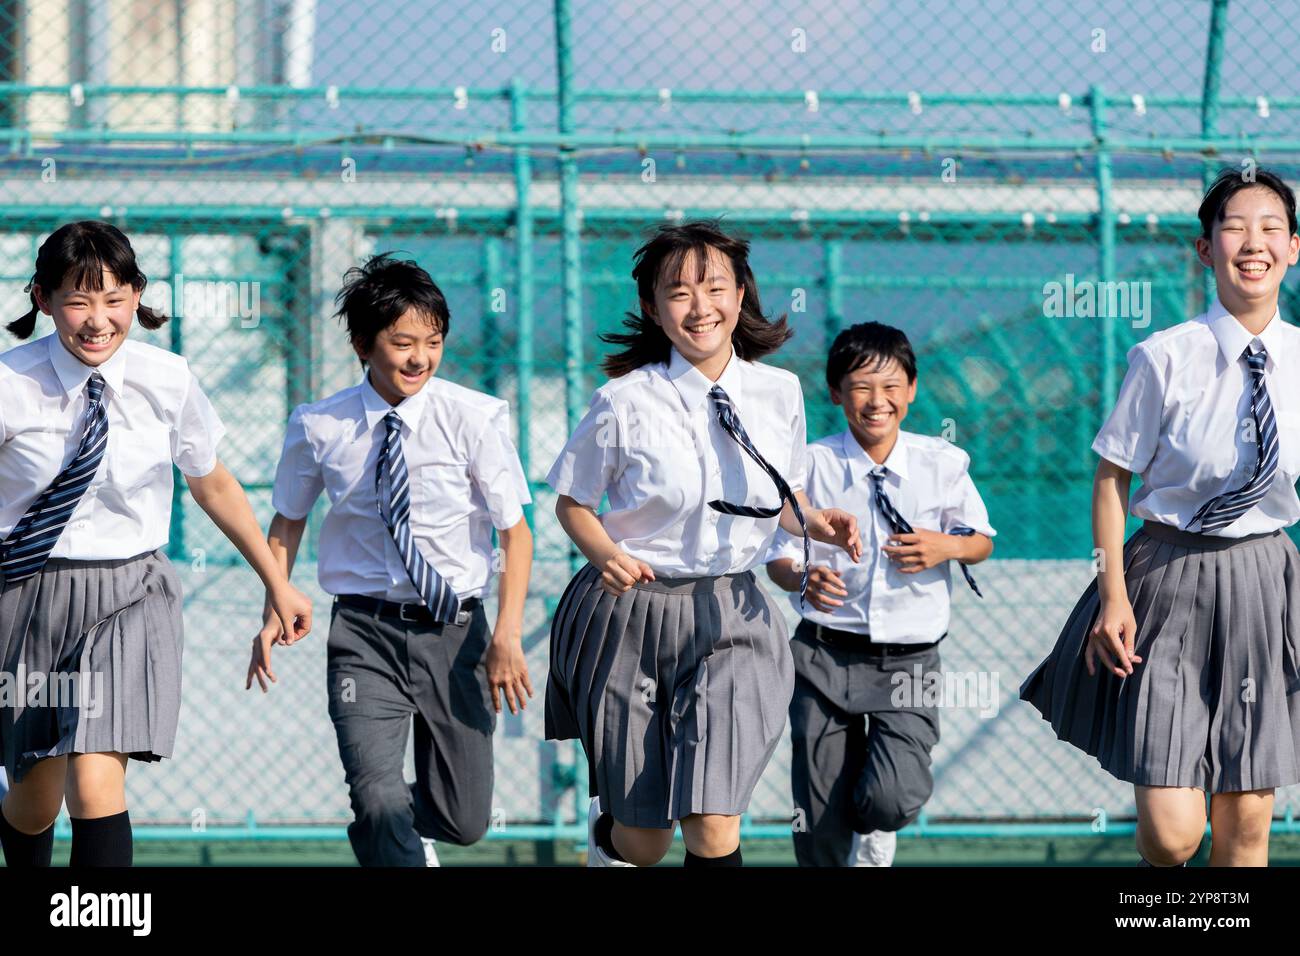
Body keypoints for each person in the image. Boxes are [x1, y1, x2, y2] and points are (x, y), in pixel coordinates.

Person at [545, 220, 861, 867]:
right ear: (653, 308)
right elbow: (572, 503)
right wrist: (605, 554)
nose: (700, 306)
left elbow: (784, 501)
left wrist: (816, 523)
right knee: (646, 842)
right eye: (679, 291)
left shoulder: (779, 393)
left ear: (740, 296)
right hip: (631, 610)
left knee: (714, 826)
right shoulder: (622, 401)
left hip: (732, 615)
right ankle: (610, 841)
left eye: (715, 287)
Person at [0, 220, 311, 867]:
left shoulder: (167, 378)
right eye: (78, 300)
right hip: (27, 593)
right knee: (35, 798)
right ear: (42, 298)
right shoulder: (10, 383)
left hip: (132, 593)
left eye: (114, 299)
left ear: (137, 297)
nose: (97, 320)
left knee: (94, 777)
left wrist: (276, 582)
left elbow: (213, 484)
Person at [1021, 167, 1300, 867]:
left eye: (1271, 228)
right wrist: (1113, 594)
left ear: (1293, 248)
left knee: (1247, 825)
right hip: (1165, 578)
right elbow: (1113, 476)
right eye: (1234, 227)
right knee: (1175, 835)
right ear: (1205, 250)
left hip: (1267, 579)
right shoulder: (1164, 357)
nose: (1253, 243)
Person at [256, 253, 533, 867]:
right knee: (376, 793)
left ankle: (389, 828)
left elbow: (516, 534)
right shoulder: (319, 425)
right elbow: (288, 519)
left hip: (458, 634)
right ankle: (384, 826)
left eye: (432, 342)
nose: (419, 359)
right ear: (362, 343)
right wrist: (275, 596)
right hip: (363, 633)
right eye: (402, 342)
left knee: (465, 821)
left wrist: (506, 635)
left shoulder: (474, 418)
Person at [766, 321, 995, 866]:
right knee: (819, 815)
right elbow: (779, 554)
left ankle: (872, 829)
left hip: (909, 661)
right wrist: (802, 578)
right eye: (862, 387)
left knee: (890, 800)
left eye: (891, 387)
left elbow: (980, 541)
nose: (877, 402)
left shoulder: (941, 462)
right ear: (836, 392)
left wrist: (947, 546)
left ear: (912, 390)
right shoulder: (811, 465)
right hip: (824, 652)